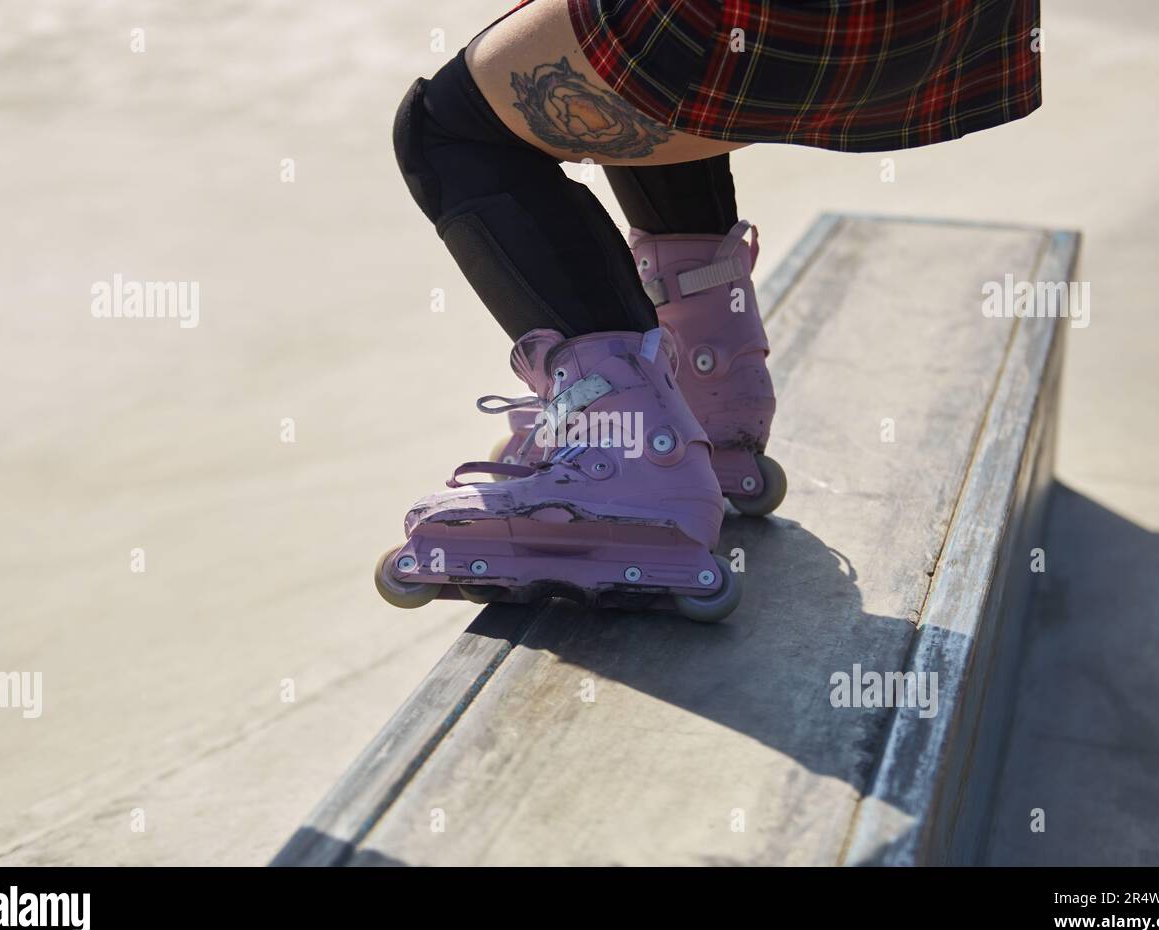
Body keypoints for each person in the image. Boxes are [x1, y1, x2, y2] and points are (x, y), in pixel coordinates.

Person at [377, 0, 1042, 621]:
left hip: (782, 27)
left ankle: (632, 455)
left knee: (448, 131)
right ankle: (706, 391)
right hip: (939, 31)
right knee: (614, 61)